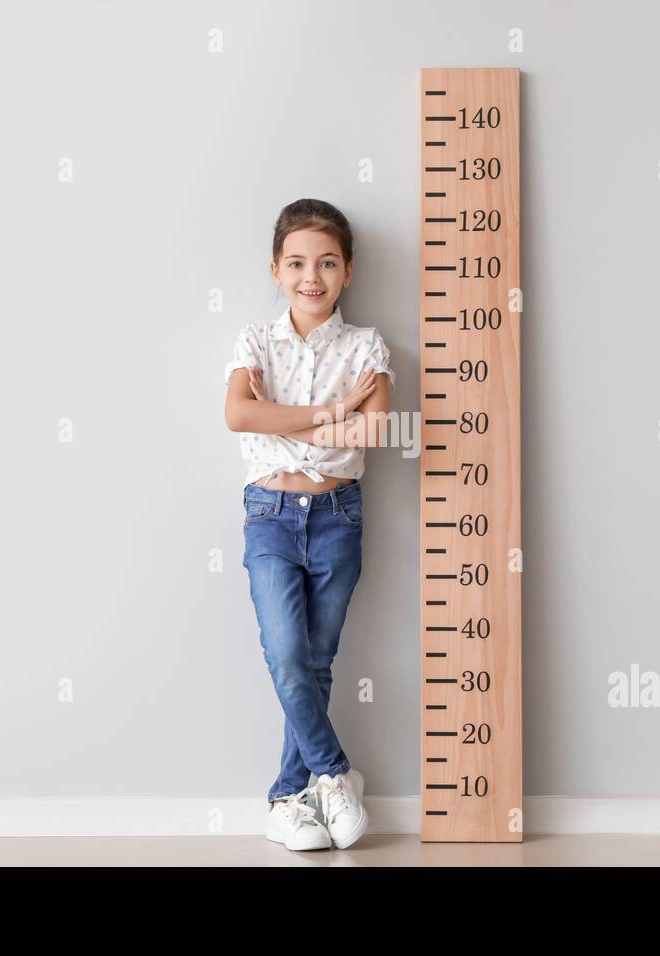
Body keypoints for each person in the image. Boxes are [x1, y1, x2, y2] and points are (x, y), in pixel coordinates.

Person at [222, 198, 396, 850]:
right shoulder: (254, 341)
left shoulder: (367, 345)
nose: (310, 276)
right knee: (288, 654)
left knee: (318, 662)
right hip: (268, 514)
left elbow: (374, 429)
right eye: (296, 263)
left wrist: (288, 417)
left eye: (326, 262)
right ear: (275, 269)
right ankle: (331, 773)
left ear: (348, 270)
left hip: (337, 516)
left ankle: (288, 799)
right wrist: (332, 411)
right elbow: (240, 415)